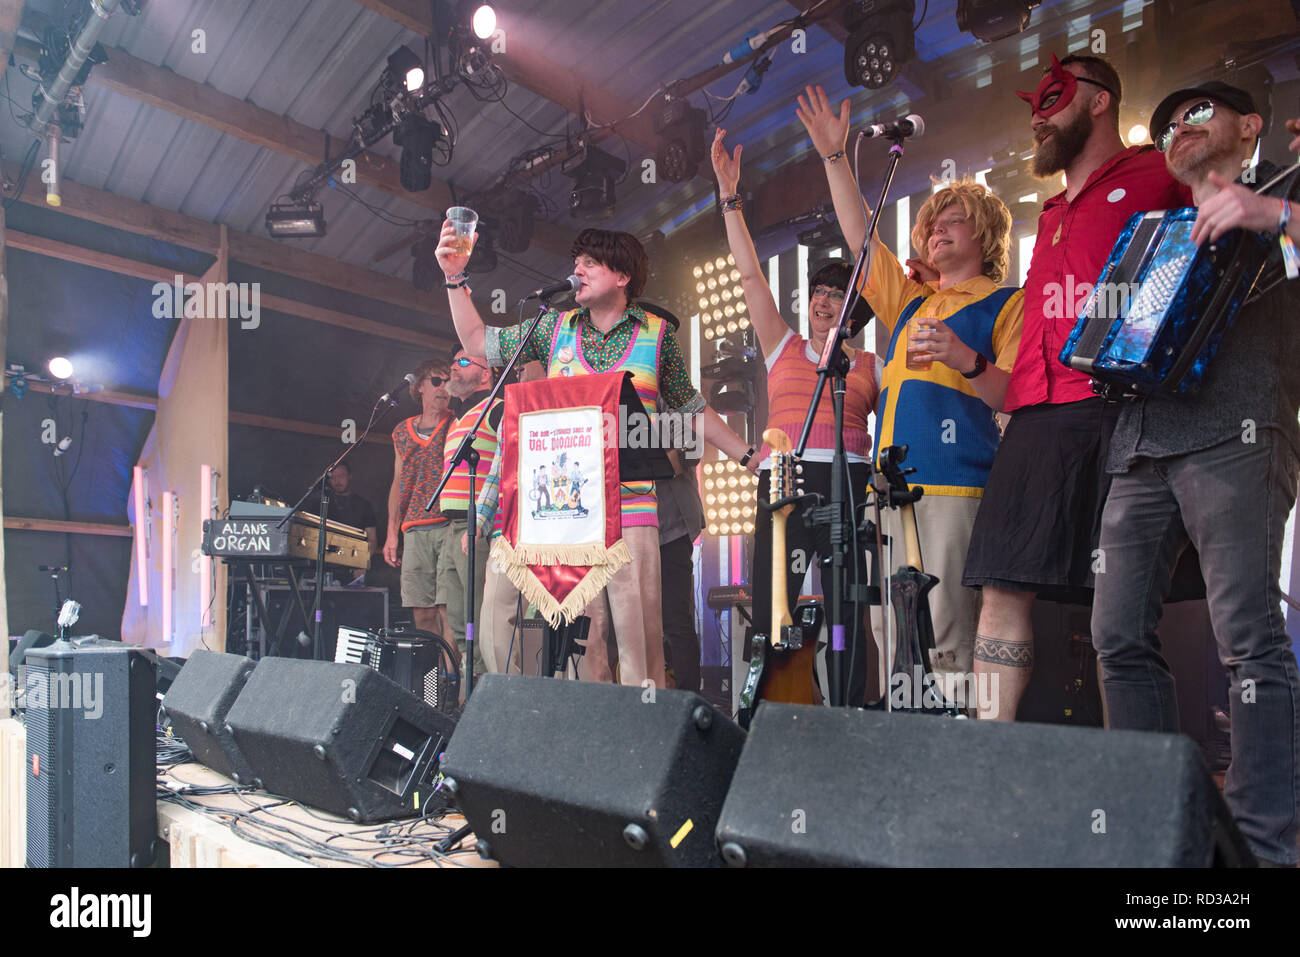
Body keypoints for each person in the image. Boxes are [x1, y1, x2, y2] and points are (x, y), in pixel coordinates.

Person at [1090, 84, 1300, 867]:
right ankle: (1156, 832)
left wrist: (1269, 213)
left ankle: (1260, 847)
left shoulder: (1284, 189)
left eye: (1199, 111)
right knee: (1114, 634)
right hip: (1142, 440)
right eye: (1170, 120)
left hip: (1239, 427)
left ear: (1250, 126)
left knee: (1248, 639)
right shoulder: (1157, 232)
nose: (1179, 126)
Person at [960, 54, 1194, 720]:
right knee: (1000, 590)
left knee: (1117, 607)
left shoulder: (1160, 171)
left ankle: (1131, 781)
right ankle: (989, 759)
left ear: (1099, 101)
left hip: (1121, 409)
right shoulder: (1053, 208)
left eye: (1053, 97)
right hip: (1036, 416)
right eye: (1032, 103)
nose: (1037, 115)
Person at [435, 223, 757, 689]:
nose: (577, 270)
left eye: (590, 262)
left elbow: (691, 410)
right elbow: (477, 342)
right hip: (570, 506)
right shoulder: (553, 327)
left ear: (623, 276)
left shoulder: (656, 334)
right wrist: (454, 278)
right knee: (585, 638)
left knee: (639, 629)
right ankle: (581, 730)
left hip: (632, 500)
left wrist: (750, 457)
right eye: (576, 262)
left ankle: (642, 737)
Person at [797, 86, 1024, 703]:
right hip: (888, 489)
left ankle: (957, 775)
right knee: (886, 629)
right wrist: (834, 157)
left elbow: (1015, 398)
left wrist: (964, 358)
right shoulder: (909, 299)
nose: (937, 230)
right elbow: (861, 237)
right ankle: (906, 767)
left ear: (985, 235)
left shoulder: (1010, 301)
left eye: (954, 221)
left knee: (947, 636)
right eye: (931, 223)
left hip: (958, 484)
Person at [712, 126, 878, 706]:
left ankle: (850, 719)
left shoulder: (874, 365)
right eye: (819, 292)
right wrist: (730, 199)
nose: (825, 300)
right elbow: (751, 275)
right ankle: (770, 722)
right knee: (772, 606)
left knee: (847, 612)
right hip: (784, 482)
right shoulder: (782, 345)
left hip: (850, 483)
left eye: (838, 294)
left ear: (853, 312)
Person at [434, 347, 500, 678]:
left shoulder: (497, 409)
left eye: (463, 362)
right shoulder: (458, 418)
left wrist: (482, 524)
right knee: (456, 618)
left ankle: (483, 696)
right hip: (450, 528)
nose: (453, 368)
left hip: (476, 527)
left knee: (478, 618)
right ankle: (465, 692)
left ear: (487, 372)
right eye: (454, 362)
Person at [384, 359, 454, 644]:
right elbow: (398, 483)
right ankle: (432, 680)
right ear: (420, 387)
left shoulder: (458, 423)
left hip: (449, 526)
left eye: (447, 382)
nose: (443, 388)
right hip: (414, 530)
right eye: (436, 381)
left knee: (449, 609)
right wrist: (391, 532)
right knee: (422, 613)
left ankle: (452, 682)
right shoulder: (402, 431)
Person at [304, 462, 378, 582]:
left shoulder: (363, 505)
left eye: (341, 476)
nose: (337, 480)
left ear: (350, 476)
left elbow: (372, 538)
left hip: (352, 566)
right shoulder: (320, 503)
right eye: (333, 476)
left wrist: (362, 563)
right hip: (324, 566)